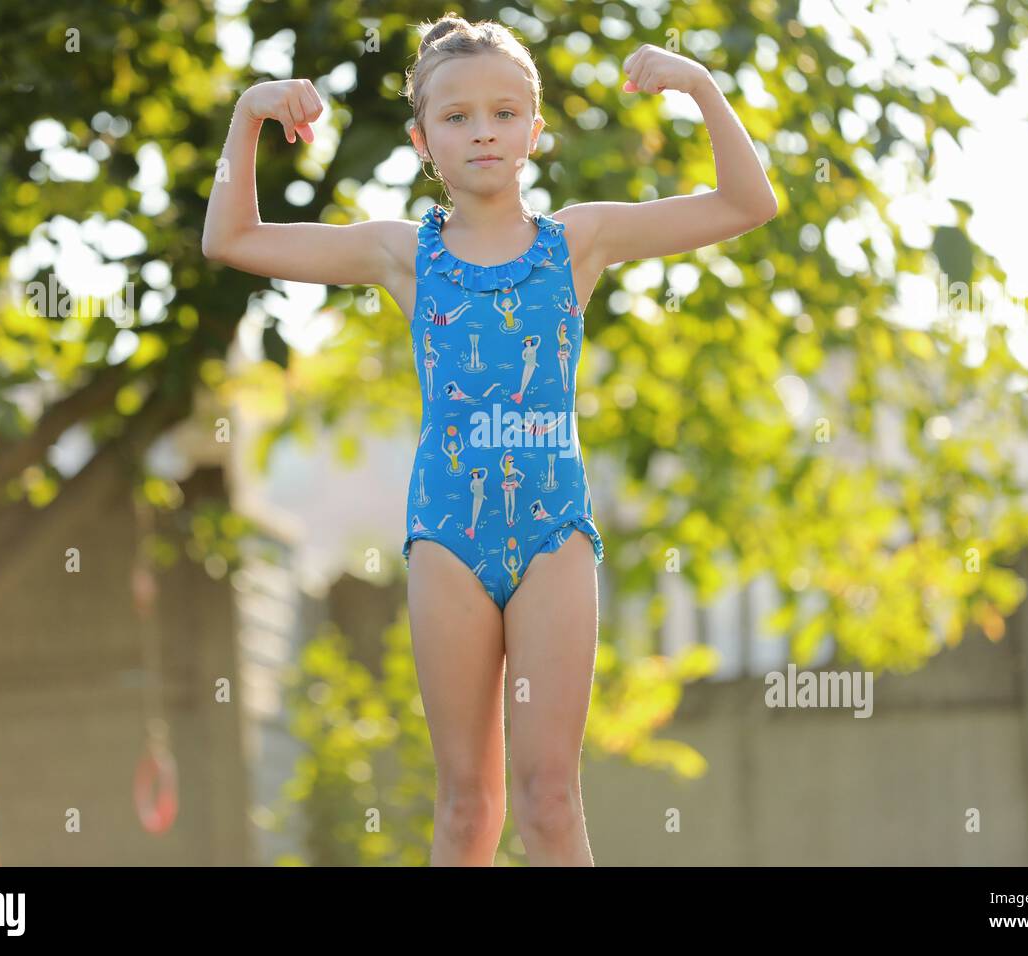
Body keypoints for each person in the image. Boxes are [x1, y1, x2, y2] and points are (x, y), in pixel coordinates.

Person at [202, 12, 778, 866]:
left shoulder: (579, 242)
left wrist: (699, 85)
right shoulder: (403, 254)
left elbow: (748, 202)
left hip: (551, 532)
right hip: (448, 534)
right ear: (422, 139)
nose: (483, 133)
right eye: (457, 117)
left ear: (534, 132)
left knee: (550, 803)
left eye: (505, 114)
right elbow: (232, 239)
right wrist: (248, 114)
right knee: (468, 809)